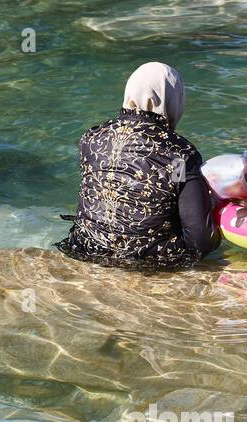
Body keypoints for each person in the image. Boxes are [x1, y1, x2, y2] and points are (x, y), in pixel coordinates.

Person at [57, 62, 220, 270]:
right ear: (173, 99)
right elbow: (200, 240)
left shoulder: (92, 139)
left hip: (85, 247)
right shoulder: (179, 154)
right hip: (148, 260)